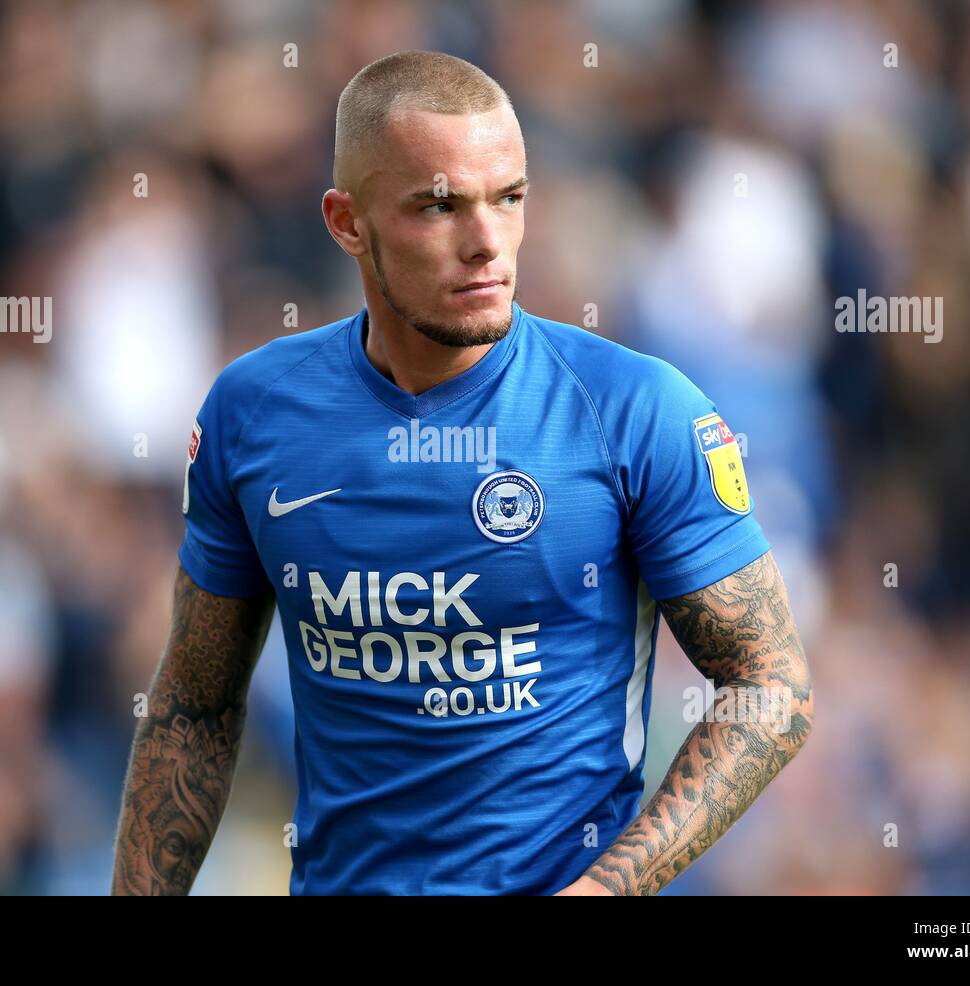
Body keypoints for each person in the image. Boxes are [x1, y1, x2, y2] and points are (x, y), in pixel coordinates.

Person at [111, 49, 813, 896]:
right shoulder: (252, 414)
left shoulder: (634, 409)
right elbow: (192, 706)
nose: (487, 242)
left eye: (508, 197)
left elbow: (770, 685)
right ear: (347, 222)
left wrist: (605, 889)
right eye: (439, 205)